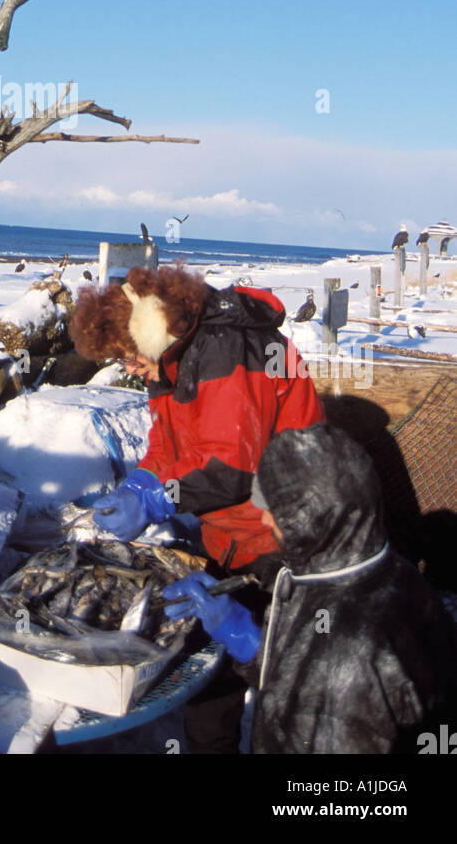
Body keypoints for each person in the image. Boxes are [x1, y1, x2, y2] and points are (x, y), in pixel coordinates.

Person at [70, 264, 325, 750]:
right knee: (209, 676)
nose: (126, 367)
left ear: (151, 325)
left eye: (126, 354)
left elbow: (232, 467)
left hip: (290, 541)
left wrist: (153, 503)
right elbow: (167, 448)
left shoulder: (228, 347)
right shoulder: (170, 359)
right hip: (229, 539)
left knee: (286, 681)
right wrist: (138, 485)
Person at [167, 424, 457, 753]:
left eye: (275, 510)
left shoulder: (345, 657)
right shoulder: (386, 571)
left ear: (310, 518)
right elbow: (312, 676)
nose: (264, 520)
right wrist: (253, 644)